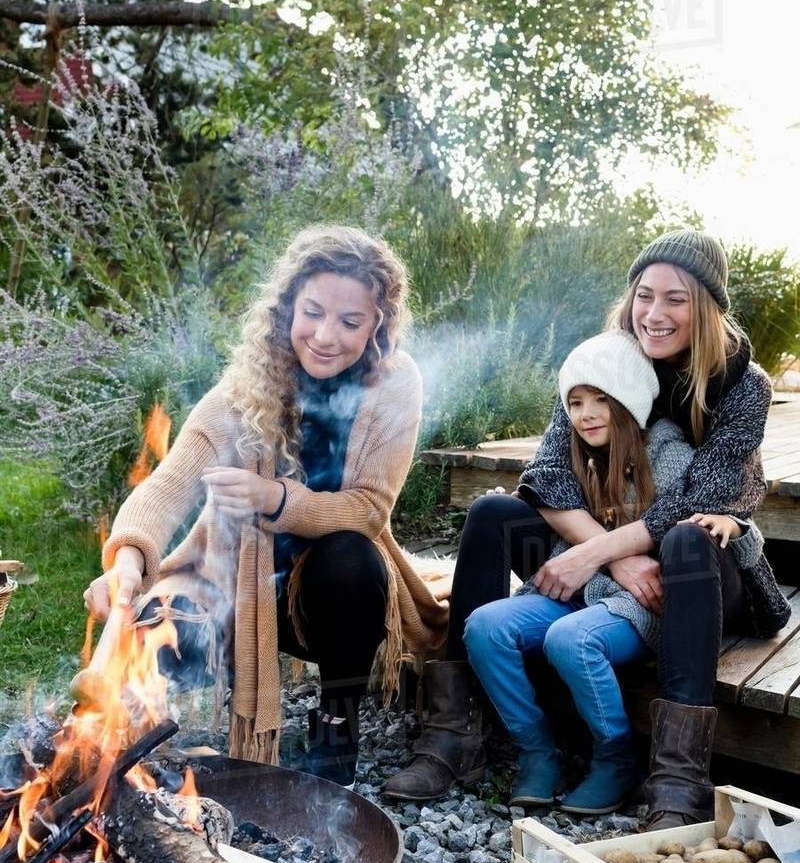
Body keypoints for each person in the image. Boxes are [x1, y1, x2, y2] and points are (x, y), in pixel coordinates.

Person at [384, 230, 789, 825]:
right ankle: (453, 732)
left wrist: (590, 555)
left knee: (685, 539)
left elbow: (702, 500)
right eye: (644, 295)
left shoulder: (742, 386)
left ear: (707, 306)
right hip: (617, 554)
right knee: (493, 514)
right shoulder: (605, 364)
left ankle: (677, 776)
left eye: (675, 299)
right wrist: (609, 559)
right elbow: (546, 474)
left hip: (706, 568)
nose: (654, 314)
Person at [83, 225, 448, 784]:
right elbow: (167, 485)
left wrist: (274, 498)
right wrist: (128, 561)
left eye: (350, 322)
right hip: (236, 583)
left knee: (350, 558)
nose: (326, 336)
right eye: (313, 312)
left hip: (330, 592)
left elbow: (369, 509)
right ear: (287, 309)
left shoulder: (395, 384)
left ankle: (336, 720)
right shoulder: (246, 386)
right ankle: (117, 747)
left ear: (377, 324)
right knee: (148, 634)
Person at [462, 331, 766, 815]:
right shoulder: (579, 458)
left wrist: (730, 523)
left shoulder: (667, 454)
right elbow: (540, 494)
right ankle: (536, 751)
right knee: (485, 627)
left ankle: (616, 757)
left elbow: (707, 519)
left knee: (570, 640)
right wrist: (604, 557)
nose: (585, 414)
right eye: (575, 402)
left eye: (601, 399)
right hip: (589, 589)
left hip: (643, 603)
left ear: (629, 399)